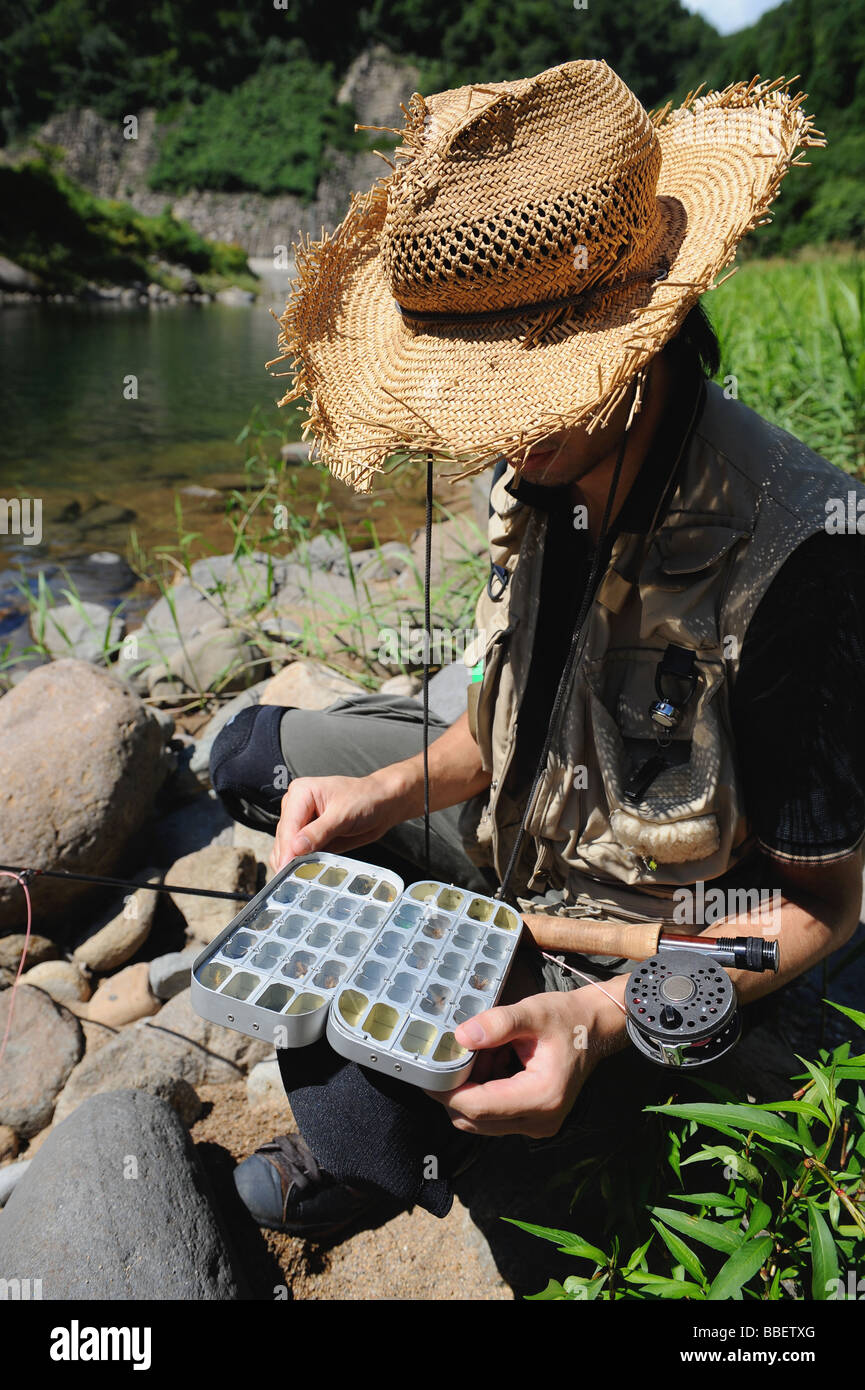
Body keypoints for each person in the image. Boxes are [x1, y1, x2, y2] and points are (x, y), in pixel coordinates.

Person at [210, 59, 865, 1286]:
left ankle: (381, 1151)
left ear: (631, 349)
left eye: (517, 398)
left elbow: (820, 909)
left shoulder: (810, 566)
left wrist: (601, 1022)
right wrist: (383, 799)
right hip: (520, 846)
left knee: (390, 1100)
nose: (493, 440)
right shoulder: (545, 471)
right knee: (254, 760)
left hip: (658, 929)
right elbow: (497, 723)